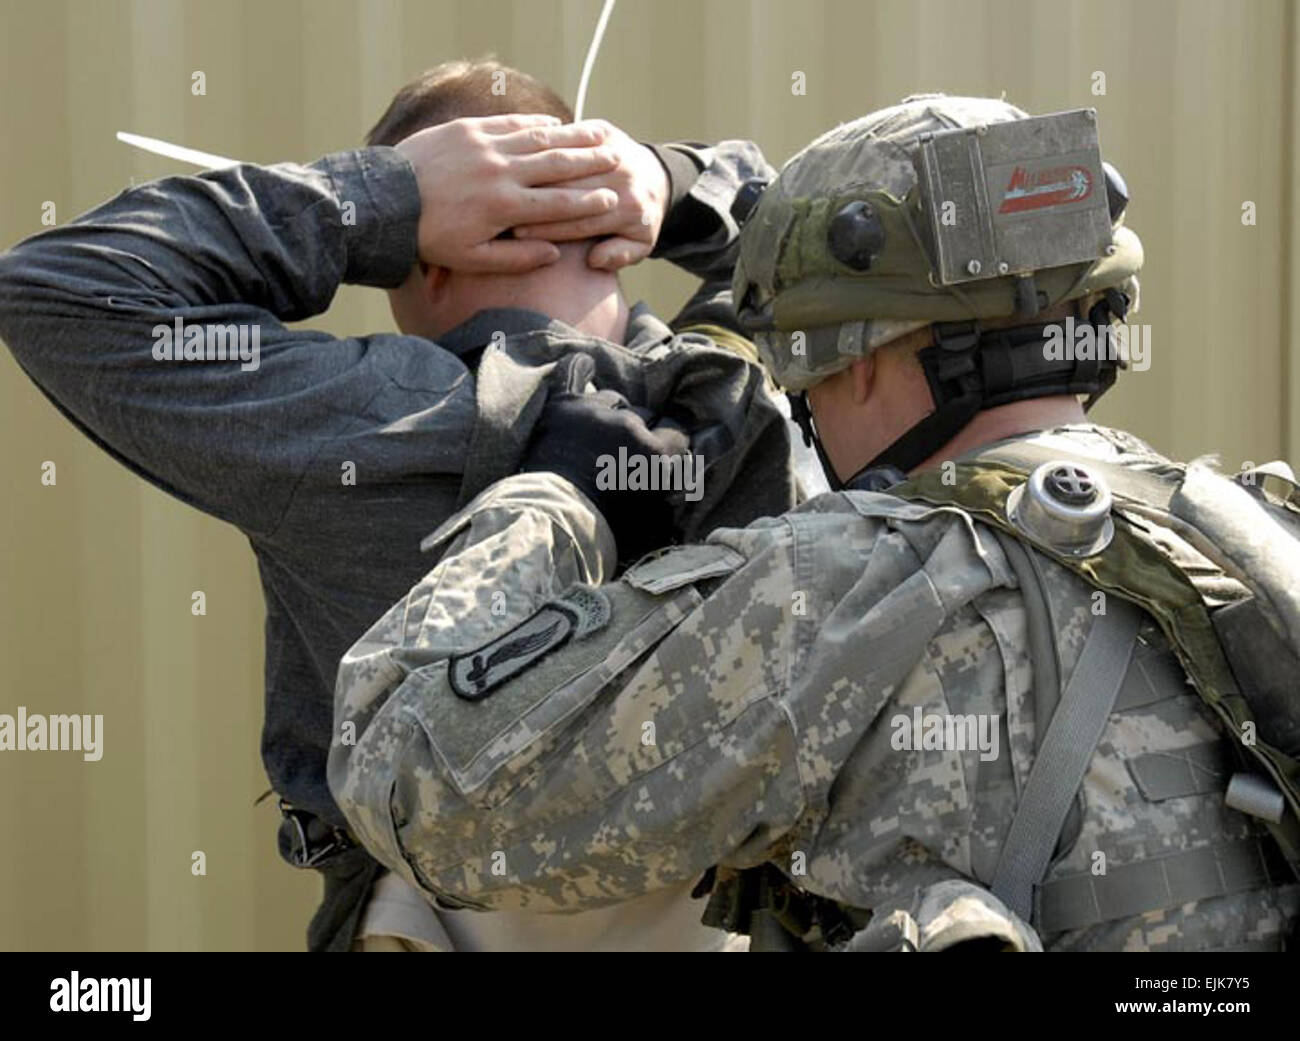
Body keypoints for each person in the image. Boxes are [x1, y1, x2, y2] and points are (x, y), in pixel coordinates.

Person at [330, 94, 1300, 951]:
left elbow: (418, 783)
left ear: (862, 358)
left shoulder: (841, 588)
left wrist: (551, 501)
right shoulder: (1259, 526)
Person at [0, 59, 796, 951]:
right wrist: (674, 180)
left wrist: (381, 199)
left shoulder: (373, 418)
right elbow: (827, 222)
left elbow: (58, 288)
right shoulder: (775, 384)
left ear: (433, 257)